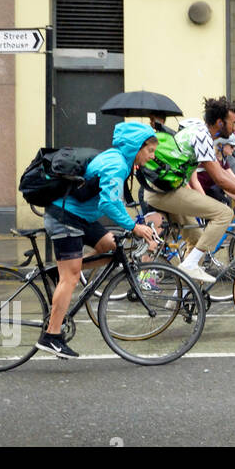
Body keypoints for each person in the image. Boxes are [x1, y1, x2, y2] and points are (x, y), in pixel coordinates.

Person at [36, 122, 161, 359]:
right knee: (71, 277)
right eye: (150, 150)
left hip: (82, 217)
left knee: (110, 247)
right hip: (65, 217)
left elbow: (113, 200)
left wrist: (132, 224)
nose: (152, 156)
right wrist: (134, 227)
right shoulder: (116, 164)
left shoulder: (120, 161)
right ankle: (51, 336)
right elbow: (108, 204)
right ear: (136, 146)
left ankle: (59, 272)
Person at [143, 97, 235, 284]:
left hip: (165, 189)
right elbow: (220, 179)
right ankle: (188, 265)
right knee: (225, 213)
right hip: (164, 192)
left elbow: (223, 174)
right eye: (233, 123)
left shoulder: (201, 133)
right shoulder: (202, 136)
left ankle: (183, 295)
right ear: (220, 122)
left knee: (197, 241)